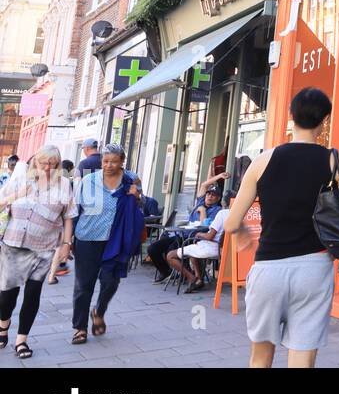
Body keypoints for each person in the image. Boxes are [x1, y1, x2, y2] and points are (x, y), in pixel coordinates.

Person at [227, 87, 339, 368]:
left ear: (291, 116)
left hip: (268, 269)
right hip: (314, 270)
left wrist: (242, 234)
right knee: (302, 358)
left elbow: (231, 222)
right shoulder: (336, 161)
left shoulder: (263, 160)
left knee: (260, 357)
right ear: (324, 121)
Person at [0, 145, 74, 359]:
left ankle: (21, 340)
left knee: (32, 294)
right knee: (6, 297)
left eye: (53, 164)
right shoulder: (20, 180)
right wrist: (16, 194)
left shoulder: (63, 185)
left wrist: (67, 244)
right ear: (35, 163)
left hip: (43, 249)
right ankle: (3, 326)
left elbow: (68, 216)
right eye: (44, 163)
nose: (48, 168)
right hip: (14, 246)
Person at [70, 144, 143, 344]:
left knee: (111, 281)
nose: (109, 165)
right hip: (87, 238)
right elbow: (74, 210)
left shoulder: (131, 180)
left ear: (122, 162)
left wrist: (137, 197)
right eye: (105, 161)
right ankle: (80, 328)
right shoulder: (88, 180)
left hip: (115, 240)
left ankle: (99, 312)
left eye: (113, 161)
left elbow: (141, 205)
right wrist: (68, 240)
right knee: (84, 285)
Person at [147, 186, 220, 280]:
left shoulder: (217, 210)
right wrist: (218, 175)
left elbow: (204, 227)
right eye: (208, 194)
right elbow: (204, 185)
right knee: (153, 248)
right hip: (181, 234)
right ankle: (166, 271)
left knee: (171, 250)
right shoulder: (200, 203)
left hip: (194, 238)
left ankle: (188, 275)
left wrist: (202, 211)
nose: (209, 196)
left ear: (218, 198)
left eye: (213, 195)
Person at [168, 192, 231, 293]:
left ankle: (192, 278)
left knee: (170, 256)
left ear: (223, 201)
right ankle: (199, 279)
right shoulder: (241, 215)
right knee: (194, 250)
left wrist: (200, 234)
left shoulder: (222, 214)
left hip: (213, 248)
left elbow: (210, 236)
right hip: (227, 250)